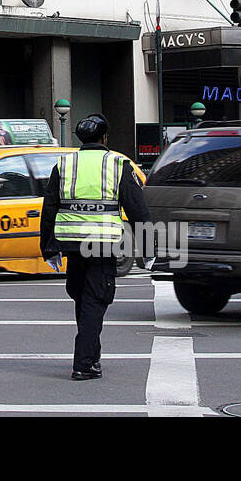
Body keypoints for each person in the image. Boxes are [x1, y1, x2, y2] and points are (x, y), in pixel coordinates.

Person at [39, 114, 148, 382]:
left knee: (83, 298)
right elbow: (137, 208)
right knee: (95, 300)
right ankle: (84, 363)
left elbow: (49, 207)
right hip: (101, 244)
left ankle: (92, 357)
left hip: (72, 244)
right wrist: (148, 248)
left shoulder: (65, 163)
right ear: (104, 138)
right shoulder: (117, 163)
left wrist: (49, 247)